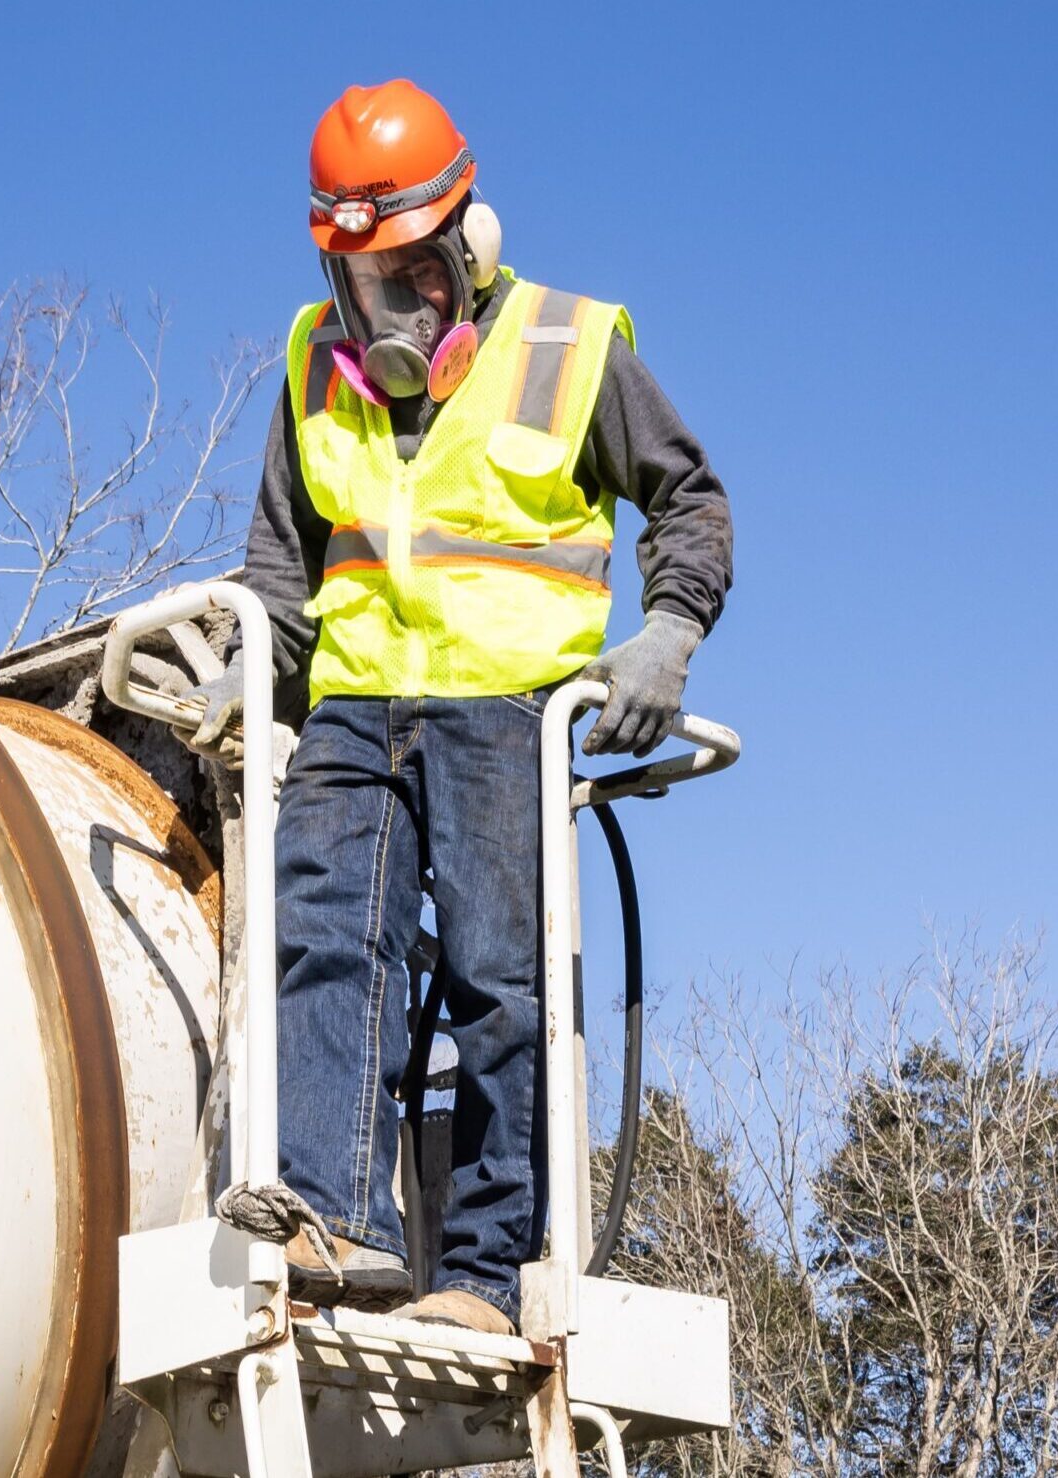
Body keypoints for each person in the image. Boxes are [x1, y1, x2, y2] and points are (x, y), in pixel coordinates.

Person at [179, 79, 734, 1336]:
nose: (398, 306)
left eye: (419, 273)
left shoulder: (568, 346)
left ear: (468, 242)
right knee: (327, 943)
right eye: (370, 283)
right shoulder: (311, 365)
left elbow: (689, 497)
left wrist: (671, 629)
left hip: (503, 708)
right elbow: (284, 554)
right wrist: (250, 667)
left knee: (501, 981)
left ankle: (485, 1275)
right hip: (357, 703)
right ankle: (334, 1218)